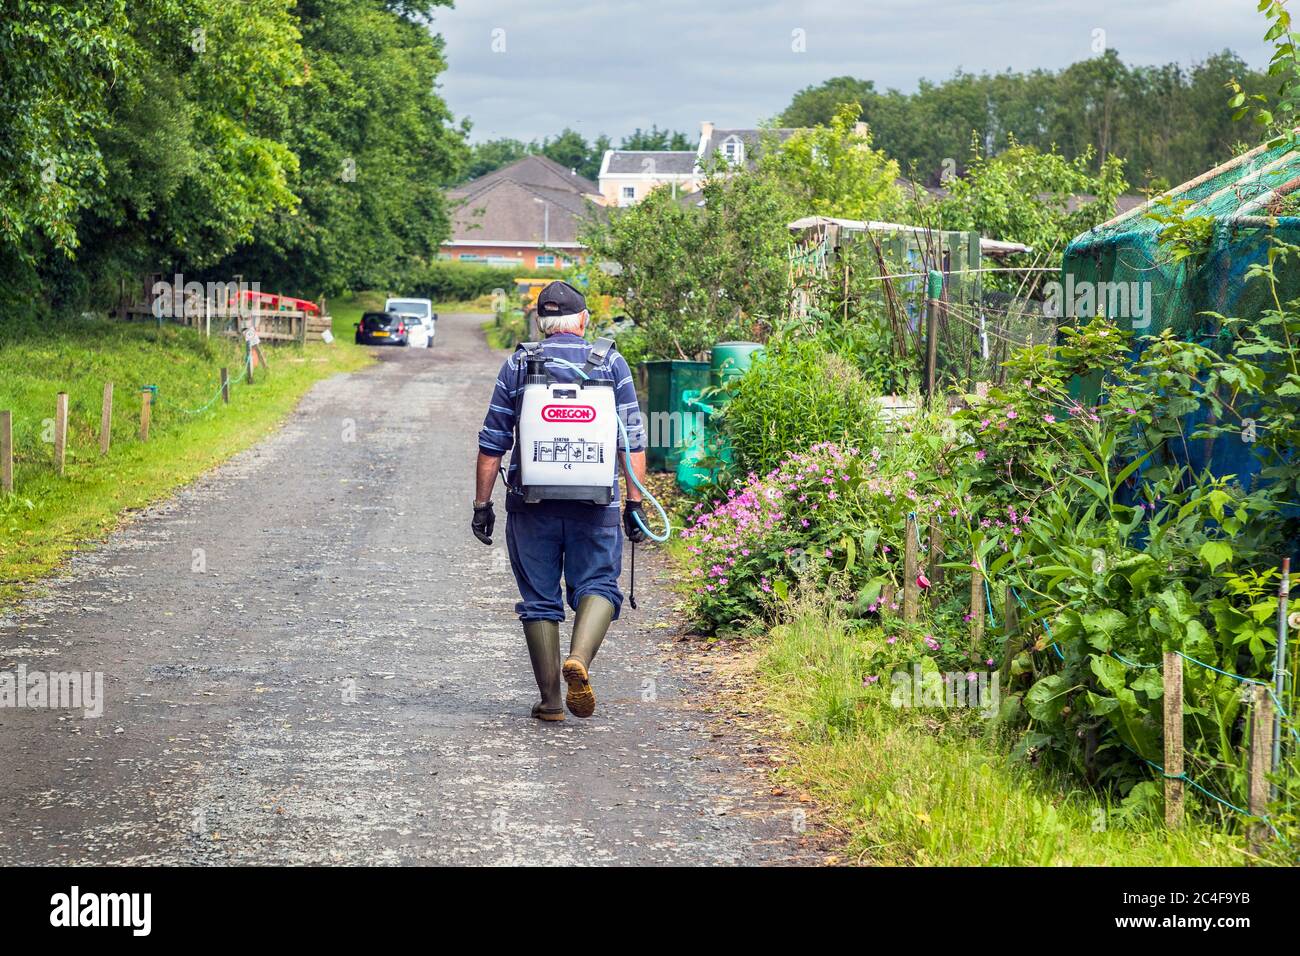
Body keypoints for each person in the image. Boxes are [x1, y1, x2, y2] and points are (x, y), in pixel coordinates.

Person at [472, 280, 648, 721]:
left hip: (532, 505)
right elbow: (634, 443)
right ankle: (580, 661)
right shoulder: (610, 362)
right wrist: (635, 504)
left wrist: (482, 505)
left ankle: (551, 702)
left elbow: (493, 441)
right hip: (598, 503)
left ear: (539, 322)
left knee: (539, 600)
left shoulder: (519, 363)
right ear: (584, 320)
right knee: (600, 585)